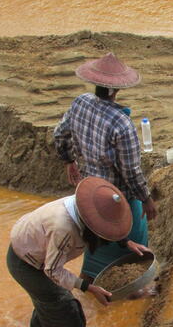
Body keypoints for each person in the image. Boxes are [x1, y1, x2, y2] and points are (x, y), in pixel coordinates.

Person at [7, 177, 150, 327]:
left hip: (36, 250)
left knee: (50, 303)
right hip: (25, 263)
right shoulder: (63, 229)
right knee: (64, 306)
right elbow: (52, 271)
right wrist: (88, 287)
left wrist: (127, 242)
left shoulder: (86, 208)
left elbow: (103, 226)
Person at [53, 52, 156, 280]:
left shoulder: (81, 102)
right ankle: (135, 285)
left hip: (89, 192)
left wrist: (69, 160)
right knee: (135, 244)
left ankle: (91, 282)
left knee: (96, 238)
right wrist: (146, 198)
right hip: (117, 197)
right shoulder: (121, 123)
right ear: (116, 90)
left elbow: (60, 133)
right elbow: (131, 170)